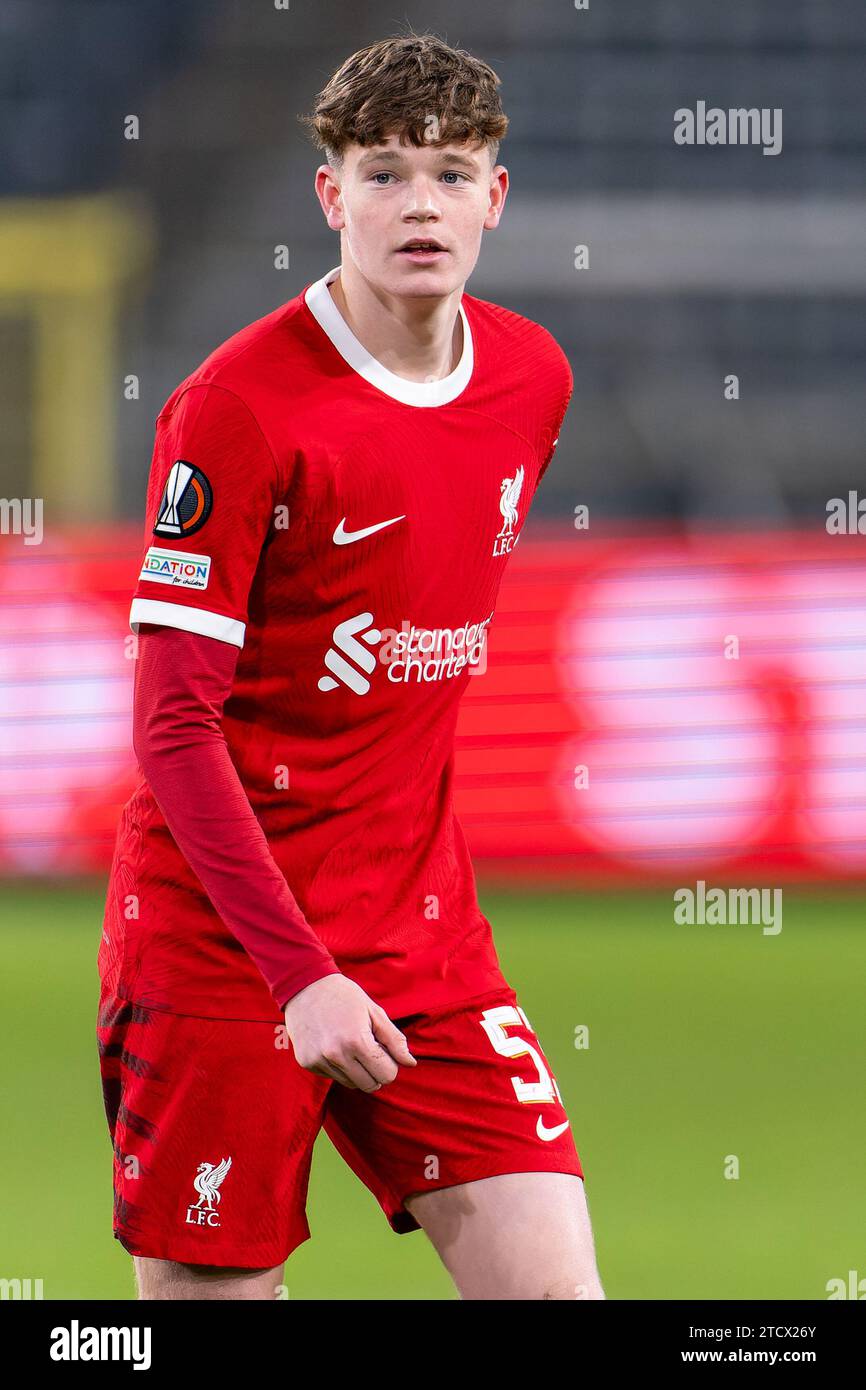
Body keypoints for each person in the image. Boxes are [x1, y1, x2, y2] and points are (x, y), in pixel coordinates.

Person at [97, 31, 604, 1301]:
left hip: (422, 937)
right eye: (382, 173)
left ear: (496, 195)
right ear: (330, 198)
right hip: (224, 947)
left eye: (448, 171)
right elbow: (171, 727)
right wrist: (298, 971)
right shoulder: (237, 409)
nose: (417, 203)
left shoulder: (532, 377)